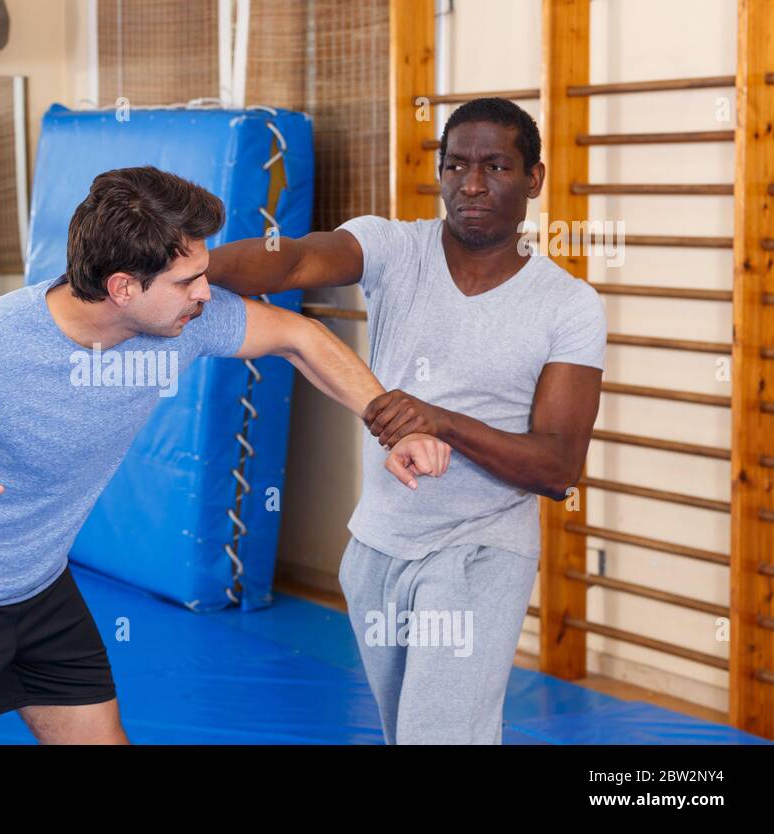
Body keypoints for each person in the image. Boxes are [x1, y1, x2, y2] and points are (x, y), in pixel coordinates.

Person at [0, 166, 451, 744]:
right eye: (189, 279)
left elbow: (299, 337)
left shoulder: (184, 322)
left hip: (37, 587)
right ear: (121, 288)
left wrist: (391, 422)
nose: (207, 290)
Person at [207, 97, 607, 744]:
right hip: (377, 545)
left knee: (438, 737)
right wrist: (188, 271)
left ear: (532, 178)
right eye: (456, 166)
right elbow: (296, 260)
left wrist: (441, 421)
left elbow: (557, 468)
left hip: (480, 550)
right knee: (408, 732)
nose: (471, 184)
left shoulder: (568, 305)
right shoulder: (395, 246)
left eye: (496, 167)